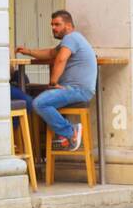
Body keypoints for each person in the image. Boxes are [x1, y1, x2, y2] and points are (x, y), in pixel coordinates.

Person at [16, 10, 96, 151]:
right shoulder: (72, 40)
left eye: (57, 24)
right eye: (52, 24)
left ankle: (70, 132)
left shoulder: (71, 38)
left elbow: (60, 58)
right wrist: (28, 51)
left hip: (78, 90)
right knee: (39, 100)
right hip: (75, 90)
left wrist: (53, 83)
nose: (53, 28)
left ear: (69, 26)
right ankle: (61, 136)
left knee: (39, 103)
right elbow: (51, 53)